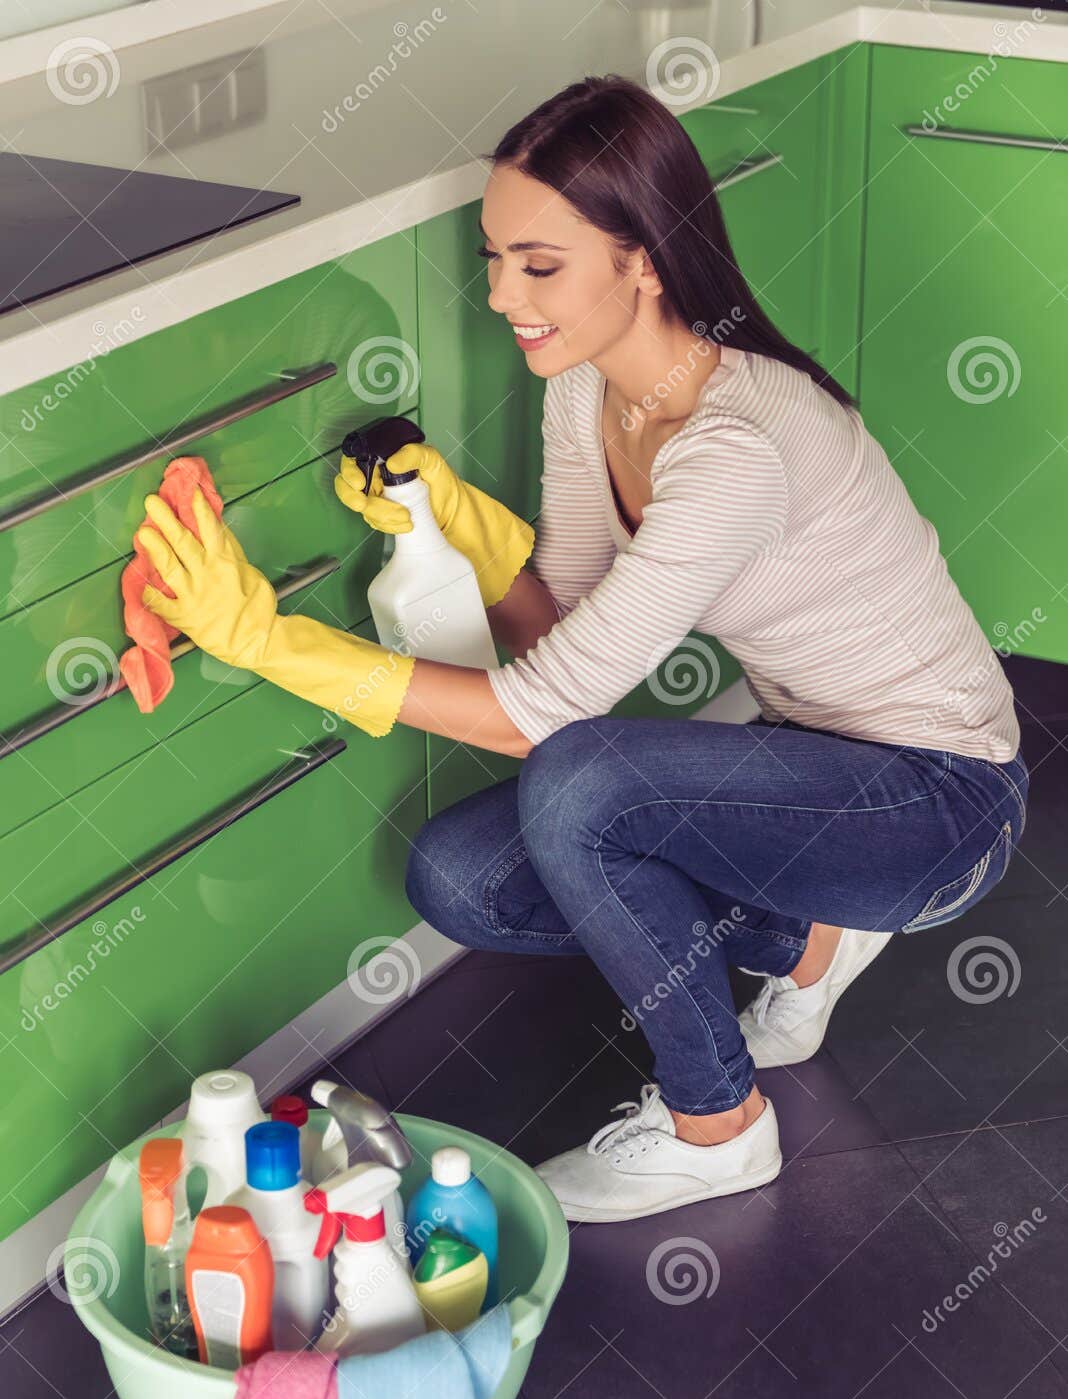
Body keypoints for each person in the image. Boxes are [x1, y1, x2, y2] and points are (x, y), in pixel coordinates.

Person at [136, 75, 1028, 1225]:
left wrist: (268, 638)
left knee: (579, 781)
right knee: (457, 877)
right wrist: (450, 514)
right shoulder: (591, 393)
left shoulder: (734, 450)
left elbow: (540, 715)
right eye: (494, 255)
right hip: (811, 765)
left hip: (940, 802)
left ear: (643, 259)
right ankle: (812, 933)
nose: (503, 293)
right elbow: (564, 626)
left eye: (539, 266)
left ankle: (719, 1127)